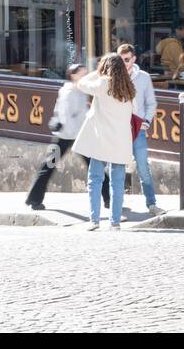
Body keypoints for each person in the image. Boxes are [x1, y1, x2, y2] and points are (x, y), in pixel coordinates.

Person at [25, 64, 107, 212]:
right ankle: (34, 199)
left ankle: (109, 198)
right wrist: (78, 135)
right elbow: (65, 116)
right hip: (66, 136)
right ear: (73, 76)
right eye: (82, 74)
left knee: (95, 165)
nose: (85, 77)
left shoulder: (81, 91)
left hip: (78, 135)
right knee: (49, 166)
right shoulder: (67, 92)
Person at [71, 53, 135, 230]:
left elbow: (82, 84)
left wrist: (97, 72)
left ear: (105, 68)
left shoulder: (103, 83)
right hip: (121, 141)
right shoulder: (128, 87)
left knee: (95, 179)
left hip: (101, 140)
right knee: (118, 182)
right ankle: (114, 222)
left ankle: (94, 220)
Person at [118, 43, 163, 217]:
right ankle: (118, 207)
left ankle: (152, 204)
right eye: (120, 60)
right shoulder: (114, 76)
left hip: (138, 128)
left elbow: (151, 102)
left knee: (143, 167)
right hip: (119, 128)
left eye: (126, 60)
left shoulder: (143, 77)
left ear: (134, 59)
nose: (123, 63)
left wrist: (147, 121)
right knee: (118, 168)